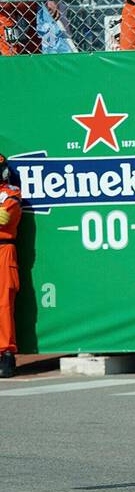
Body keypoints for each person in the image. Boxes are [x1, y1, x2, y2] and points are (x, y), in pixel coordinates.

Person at [0, 154, 20, 378]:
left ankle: (5, 354)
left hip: (3, 250)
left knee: (3, 305)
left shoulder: (10, 192)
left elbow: (4, 218)